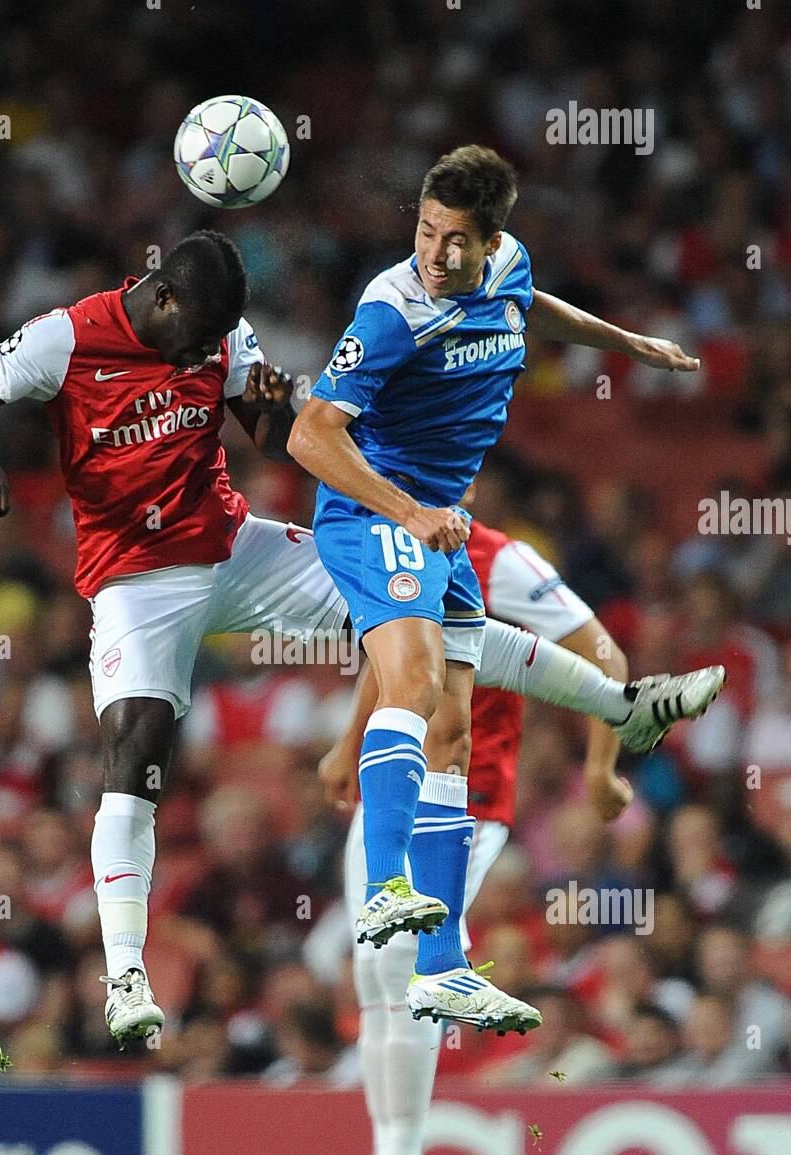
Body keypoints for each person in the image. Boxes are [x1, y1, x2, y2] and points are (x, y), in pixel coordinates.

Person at [288, 143, 723, 1039]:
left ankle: (443, 967)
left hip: (435, 518)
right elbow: (308, 435)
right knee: (411, 689)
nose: (436, 255)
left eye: (456, 241)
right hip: (378, 512)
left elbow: (526, 310)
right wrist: (406, 511)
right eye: (424, 230)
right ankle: (383, 890)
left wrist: (624, 340)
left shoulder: (508, 267)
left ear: (493, 239)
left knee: (451, 730)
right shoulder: (391, 308)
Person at [314, 515, 636, 1155]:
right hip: (386, 787)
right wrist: (345, 744)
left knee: (399, 959)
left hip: (467, 793)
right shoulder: (386, 537)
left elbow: (603, 650)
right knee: (373, 969)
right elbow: (391, 658)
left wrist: (600, 766)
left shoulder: (502, 559)